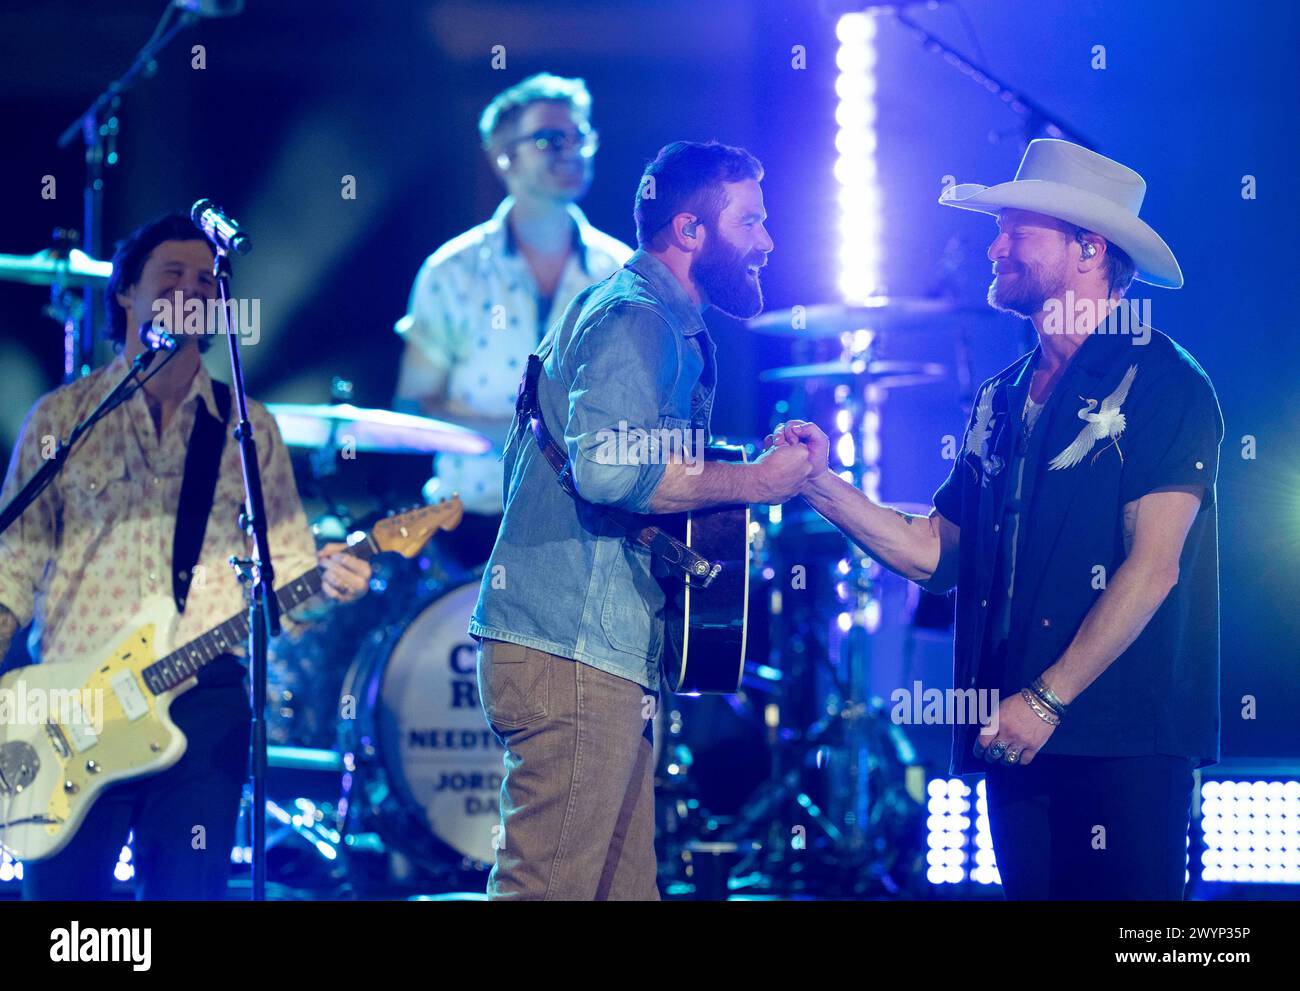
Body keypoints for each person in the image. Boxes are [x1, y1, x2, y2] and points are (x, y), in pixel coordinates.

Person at [774, 140, 1222, 900]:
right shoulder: (1000, 397)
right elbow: (937, 555)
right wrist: (817, 483)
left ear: (1089, 248)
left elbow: (1153, 567)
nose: (996, 245)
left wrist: (1047, 698)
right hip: (1014, 733)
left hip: (1122, 739)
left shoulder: (1165, 381)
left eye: (1018, 229)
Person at [470, 140, 815, 899]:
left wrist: (738, 466)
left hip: (593, 651)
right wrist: (756, 480)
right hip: (572, 648)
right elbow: (608, 467)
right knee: (547, 889)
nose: (767, 241)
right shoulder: (638, 320)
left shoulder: (649, 316)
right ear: (691, 231)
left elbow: (637, 458)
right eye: (751, 220)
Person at [0, 213, 371, 899]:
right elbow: (12, 570)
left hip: (202, 704)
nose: (190, 288)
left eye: (206, 279)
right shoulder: (61, 417)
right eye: (170, 274)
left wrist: (328, 579)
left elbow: (286, 577)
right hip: (72, 708)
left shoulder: (246, 426)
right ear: (125, 293)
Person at [393, 73, 632, 574]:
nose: (571, 150)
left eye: (579, 136)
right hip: (470, 528)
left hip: (589, 527)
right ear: (504, 156)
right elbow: (413, 405)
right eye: (550, 139)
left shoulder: (621, 272)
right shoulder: (451, 270)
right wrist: (524, 438)